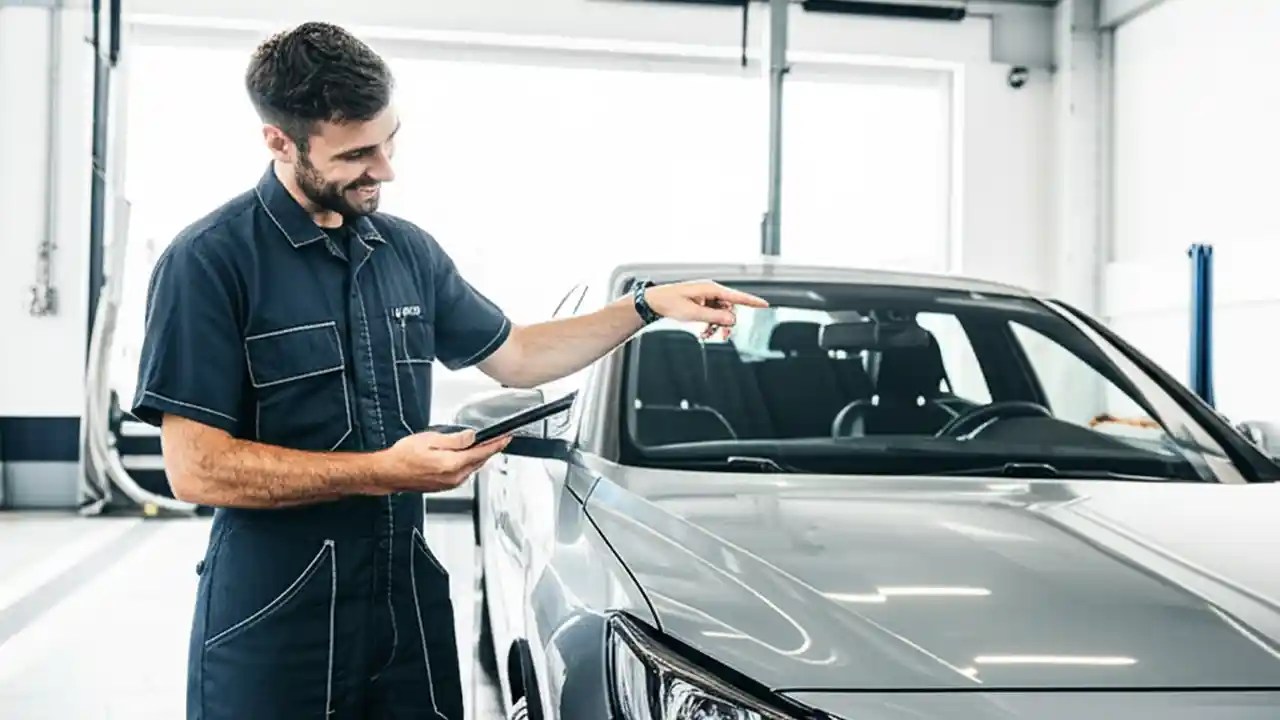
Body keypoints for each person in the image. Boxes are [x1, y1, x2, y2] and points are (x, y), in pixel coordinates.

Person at [129, 20, 767, 720]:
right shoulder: (210, 263)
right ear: (280, 141)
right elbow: (197, 469)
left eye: (390, 139)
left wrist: (645, 307)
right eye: (357, 153)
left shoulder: (407, 253)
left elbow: (520, 355)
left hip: (406, 603)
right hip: (275, 610)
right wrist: (385, 471)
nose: (386, 169)